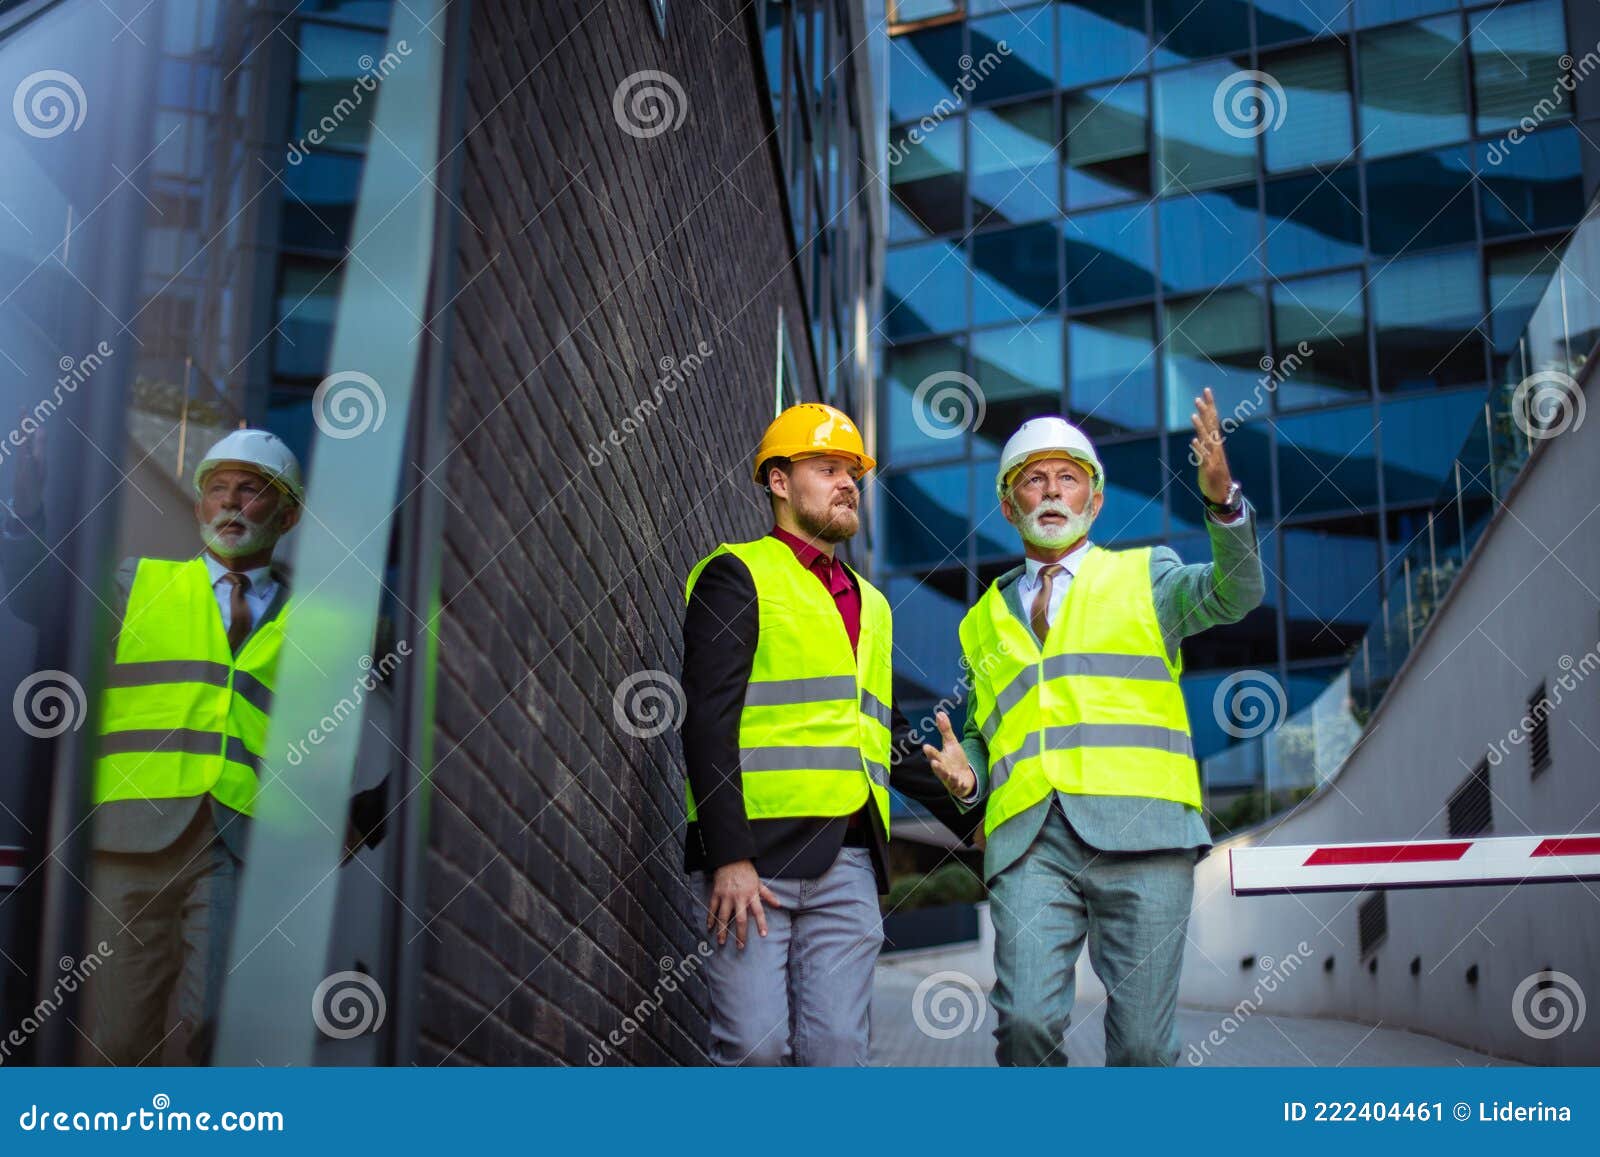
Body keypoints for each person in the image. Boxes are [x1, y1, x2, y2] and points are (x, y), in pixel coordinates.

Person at [1, 426, 381, 1064]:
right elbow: (39, 597)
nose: (231, 503)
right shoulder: (135, 584)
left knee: (218, 1029)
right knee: (118, 1040)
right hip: (129, 838)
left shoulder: (319, 625)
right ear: (200, 505)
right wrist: (25, 512)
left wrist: (349, 826)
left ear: (286, 514)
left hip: (237, 845)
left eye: (252, 491)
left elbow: (321, 748)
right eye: (218, 490)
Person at [921, 390, 1266, 1065]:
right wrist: (968, 777)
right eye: (1034, 479)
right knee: (1022, 1024)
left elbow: (1237, 592)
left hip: (1145, 830)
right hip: (1029, 842)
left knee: (1141, 1044)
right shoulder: (980, 621)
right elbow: (988, 730)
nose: (1052, 492)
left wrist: (1224, 503)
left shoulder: (1147, 576)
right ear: (1009, 503)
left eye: (1068, 477)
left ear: (1095, 500)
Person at [680, 402, 974, 1066]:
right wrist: (728, 855)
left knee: (839, 1051)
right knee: (755, 1046)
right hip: (754, 858)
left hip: (847, 861)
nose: (848, 483)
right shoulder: (737, 574)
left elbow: (876, 731)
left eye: (854, 472)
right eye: (827, 467)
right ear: (779, 481)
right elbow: (707, 718)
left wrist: (964, 794)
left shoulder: (870, 602)